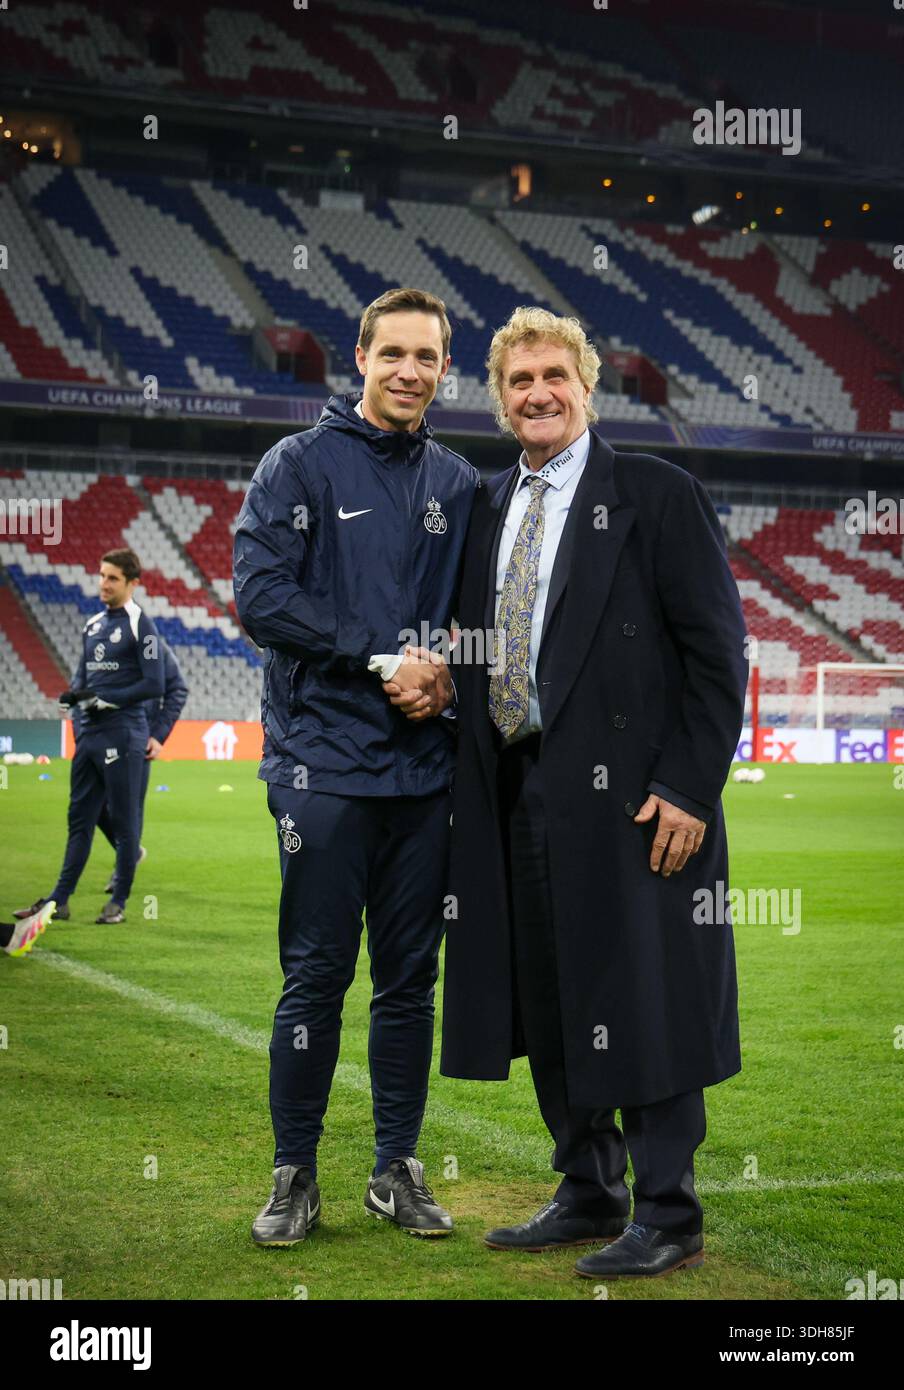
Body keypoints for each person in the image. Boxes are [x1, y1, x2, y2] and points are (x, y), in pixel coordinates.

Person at [436, 307, 748, 1279]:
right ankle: (587, 1186)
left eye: (552, 376)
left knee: (645, 998)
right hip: (519, 789)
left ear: (586, 385)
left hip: (637, 805)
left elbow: (716, 654)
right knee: (553, 997)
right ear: (499, 398)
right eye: (518, 381)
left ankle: (668, 1207)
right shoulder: (485, 505)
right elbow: (474, 642)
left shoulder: (655, 493)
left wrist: (689, 787)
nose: (536, 393)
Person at [233, 287, 480, 1247]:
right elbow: (262, 599)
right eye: (394, 355)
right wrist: (388, 654)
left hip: (424, 771)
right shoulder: (295, 466)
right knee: (317, 975)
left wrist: (450, 683)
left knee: (410, 981)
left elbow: (484, 627)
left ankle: (394, 1168)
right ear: (362, 358)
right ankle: (295, 1172)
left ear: (442, 369)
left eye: (427, 358)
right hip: (321, 768)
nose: (410, 372)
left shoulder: (460, 484)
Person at [15, 548, 164, 926]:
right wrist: (73, 698)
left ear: (133, 583)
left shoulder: (141, 624)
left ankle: (119, 902)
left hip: (124, 733)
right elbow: (82, 679)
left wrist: (106, 700)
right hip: (91, 737)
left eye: (113, 578)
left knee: (126, 822)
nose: (104, 584)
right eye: (101, 575)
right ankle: (59, 900)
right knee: (79, 819)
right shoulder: (93, 625)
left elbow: (154, 683)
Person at [93, 638, 188, 896]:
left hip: (137, 740)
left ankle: (121, 879)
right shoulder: (100, 638)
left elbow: (178, 688)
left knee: (129, 811)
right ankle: (131, 853)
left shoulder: (152, 644)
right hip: (102, 736)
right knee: (94, 806)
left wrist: (157, 734)